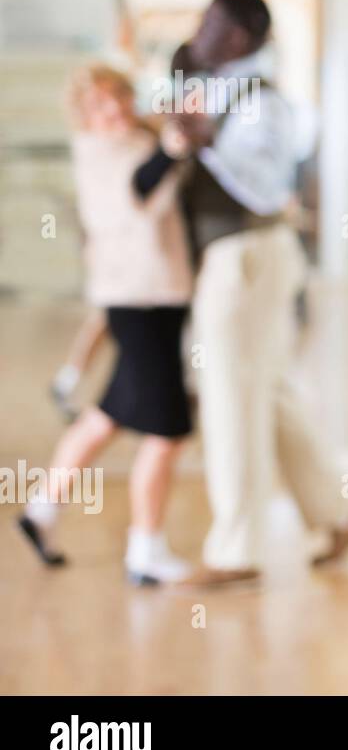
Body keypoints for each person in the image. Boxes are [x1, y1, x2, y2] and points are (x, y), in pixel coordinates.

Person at [140, 0, 348, 586]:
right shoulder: (214, 90)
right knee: (263, 392)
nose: (198, 30)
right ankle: (336, 513)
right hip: (238, 258)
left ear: (240, 36)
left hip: (246, 257)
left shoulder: (261, 103)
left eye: (210, 21)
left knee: (229, 399)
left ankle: (236, 549)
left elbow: (269, 188)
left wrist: (207, 142)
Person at [18, 66, 195, 584]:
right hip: (136, 298)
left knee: (109, 412)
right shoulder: (96, 150)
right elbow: (135, 196)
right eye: (99, 104)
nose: (113, 109)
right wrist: (172, 148)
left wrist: (170, 133)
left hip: (159, 295)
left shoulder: (138, 132)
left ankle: (41, 512)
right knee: (168, 430)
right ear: (85, 114)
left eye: (117, 95)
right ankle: (145, 551)